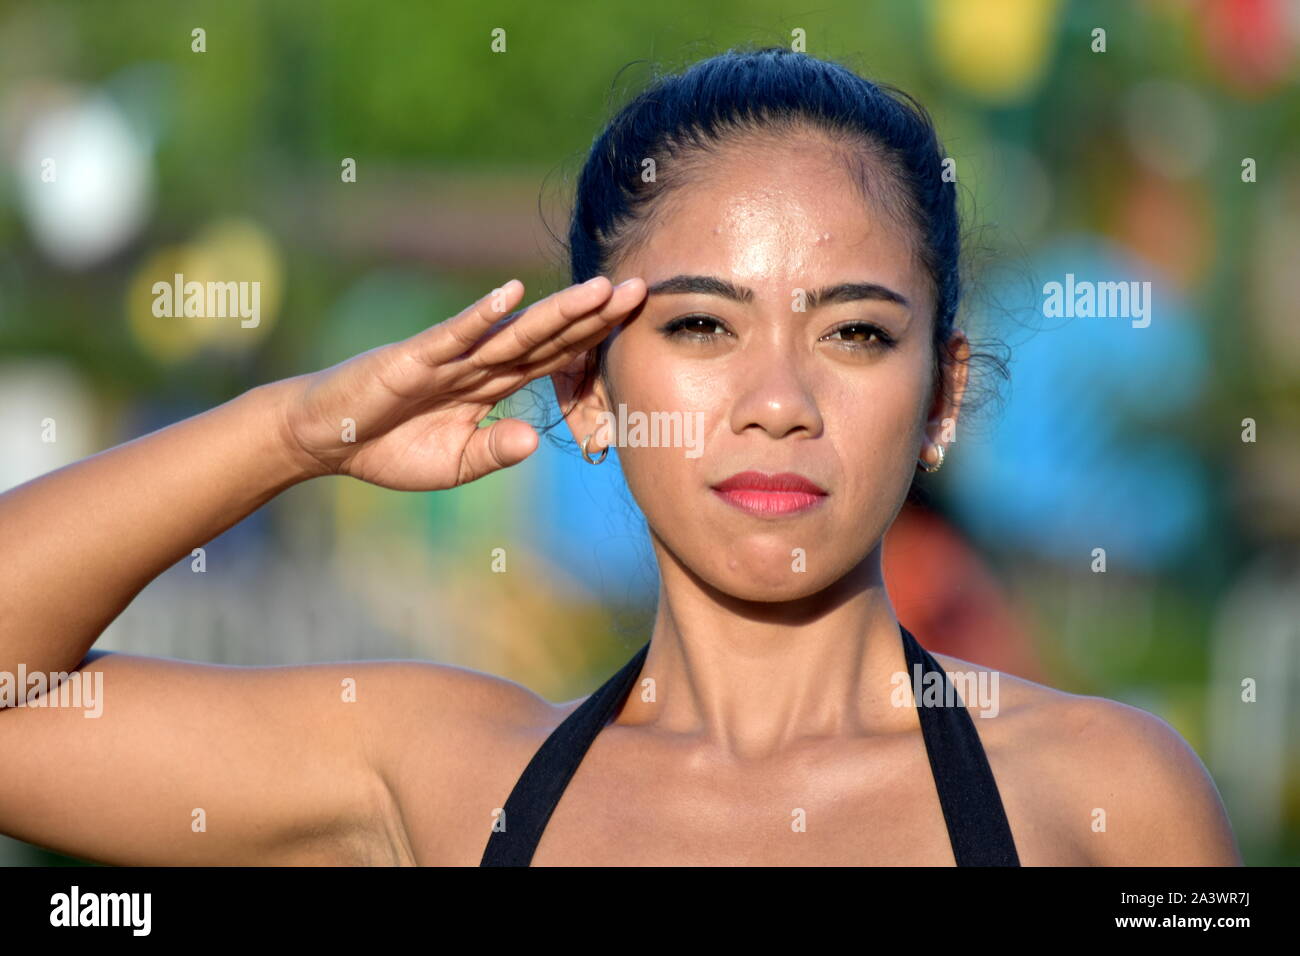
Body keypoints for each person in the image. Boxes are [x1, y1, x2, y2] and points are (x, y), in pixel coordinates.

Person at [0, 47, 1240, 866]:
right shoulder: (445, 770)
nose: (776, 400)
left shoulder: (1109, 799)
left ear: (940, 396)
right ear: (585, 388)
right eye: (701, 324)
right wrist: (298, 429)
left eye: (853, 332)